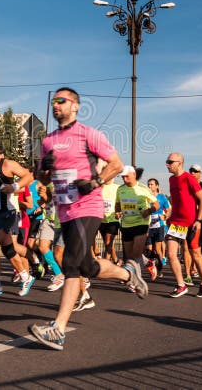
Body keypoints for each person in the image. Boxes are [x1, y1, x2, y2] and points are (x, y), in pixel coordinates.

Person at [28, 87, 147, 351]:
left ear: (76, 106)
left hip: (88, 206)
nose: (56, 105)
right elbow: (43, 179)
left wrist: (95, 181)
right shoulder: (48, 141)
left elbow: (115, 164)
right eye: (53, 101)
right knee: (87, 267)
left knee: (70, 264)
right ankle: (128, 274)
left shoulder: (88, 134)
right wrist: (44, 170)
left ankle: (58, 330)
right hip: (64, 210)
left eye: (62, 101)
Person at [0, 137, 35, 297]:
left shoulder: (7, 164)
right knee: (8, 249)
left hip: (8, 212)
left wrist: (14, 186)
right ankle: (26, 277)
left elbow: (28, 176)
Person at [165, 153, 202, 298]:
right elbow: (176, 201)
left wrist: (199, 220)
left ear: (179, 163)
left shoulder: (189, 178)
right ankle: (181, 285)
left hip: (191, 223)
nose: (167, 164)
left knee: (195, 254)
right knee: (171, 254)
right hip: (176, 223)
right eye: (167, 161)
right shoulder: (171, 179)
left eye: (170, 162)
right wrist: (171, 215)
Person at [115, 165, 158, 285]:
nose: (124, 179)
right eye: (122, 177)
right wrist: (117, 212)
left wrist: (148, 211)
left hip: (141, 223)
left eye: (127, 177)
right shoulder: (120, 189)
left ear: (134, 175)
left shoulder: (143, 188)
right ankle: (147, 263)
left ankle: (136, 282)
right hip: (126, 225)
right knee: (129, 257)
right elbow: (118, 204)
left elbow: (156, 204)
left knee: (137, 252)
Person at [145, 178, 170, 278]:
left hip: (159, 225)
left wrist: (165, 216)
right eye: (149, 184)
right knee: (149, 249)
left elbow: (168, 209)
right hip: (148, 226)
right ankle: (153, 266)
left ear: (157, 186)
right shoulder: (146, 197)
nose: (150, 186)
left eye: (152, 184)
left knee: (158, 249)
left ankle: (159, 269)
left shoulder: (162, 197)